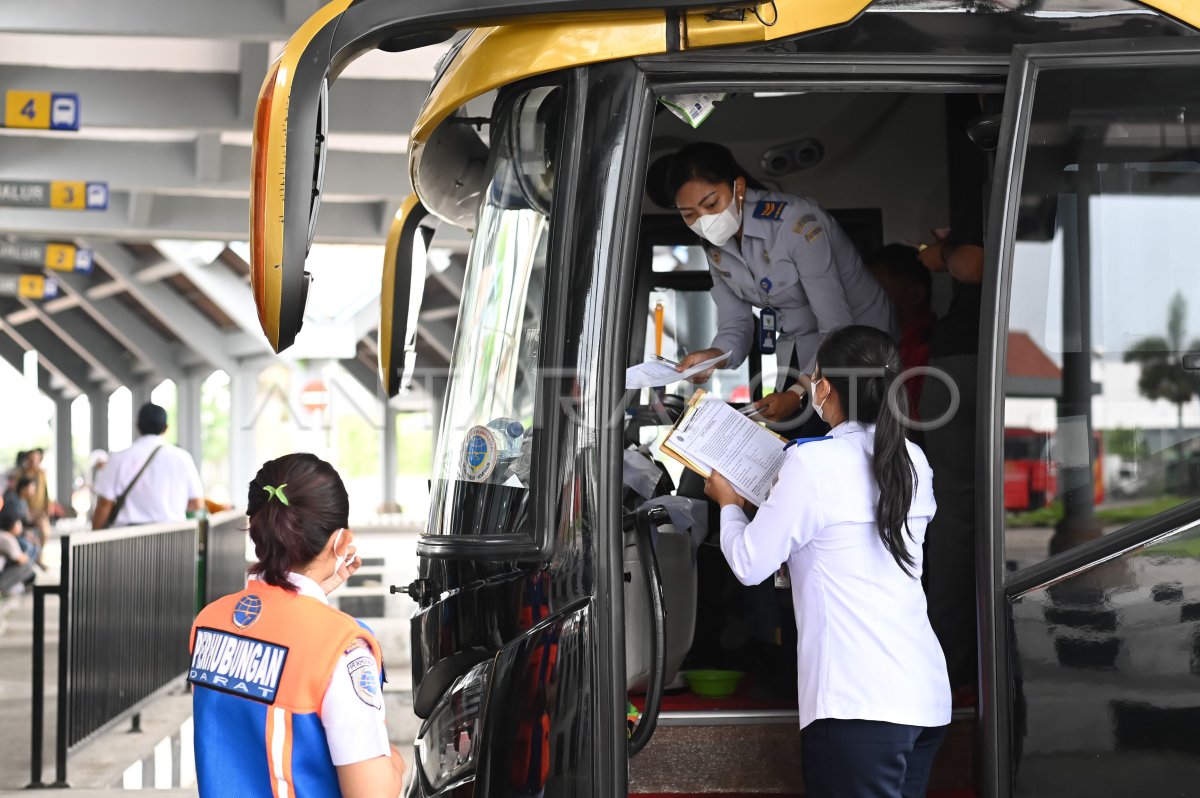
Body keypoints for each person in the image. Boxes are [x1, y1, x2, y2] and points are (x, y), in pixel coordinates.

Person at [704, 325, 950, 798]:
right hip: (923, 696)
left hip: (856, 704)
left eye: (813, 376)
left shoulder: (812, 465)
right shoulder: (914, 459)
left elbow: (749, 563)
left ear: (827, 388)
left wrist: (729, 503)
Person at [189, 453, 406, 798]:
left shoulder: (210, 621)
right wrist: (394, 760)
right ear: (341, 541)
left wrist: (314, 597)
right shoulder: (341, 647)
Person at [664, 142, 896, 426]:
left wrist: (799, 393)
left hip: (859, 351)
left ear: (738, 187)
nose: (704, 221)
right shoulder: (715, 247)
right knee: (789, 441)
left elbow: (837, 325)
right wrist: (713, 357)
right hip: (802, 348)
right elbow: (735, 323)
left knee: (841, 447)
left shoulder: (795, 222)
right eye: (689, 214)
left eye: (711, 204)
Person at [92, 403, 204, 529]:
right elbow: (197, 503)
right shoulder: (183, 458)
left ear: (138, 426)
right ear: (165, 428)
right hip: (173, 536)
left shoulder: (118, 458)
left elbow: (104, 504)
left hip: (127, 539)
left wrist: (94, 537)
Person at [866, 244, 937, 425]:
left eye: (878, 293)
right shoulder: (891, 346)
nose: (869, 303)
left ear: (914, 295)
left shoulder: (924, 349)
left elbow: (909, 425)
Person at [0, 512, 35, 596]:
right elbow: (21, 560)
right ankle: (2, 588)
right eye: (18, 523)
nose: (21, 526)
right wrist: (31, 550)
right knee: (27, 565)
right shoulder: (7, 538)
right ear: (12, 525)